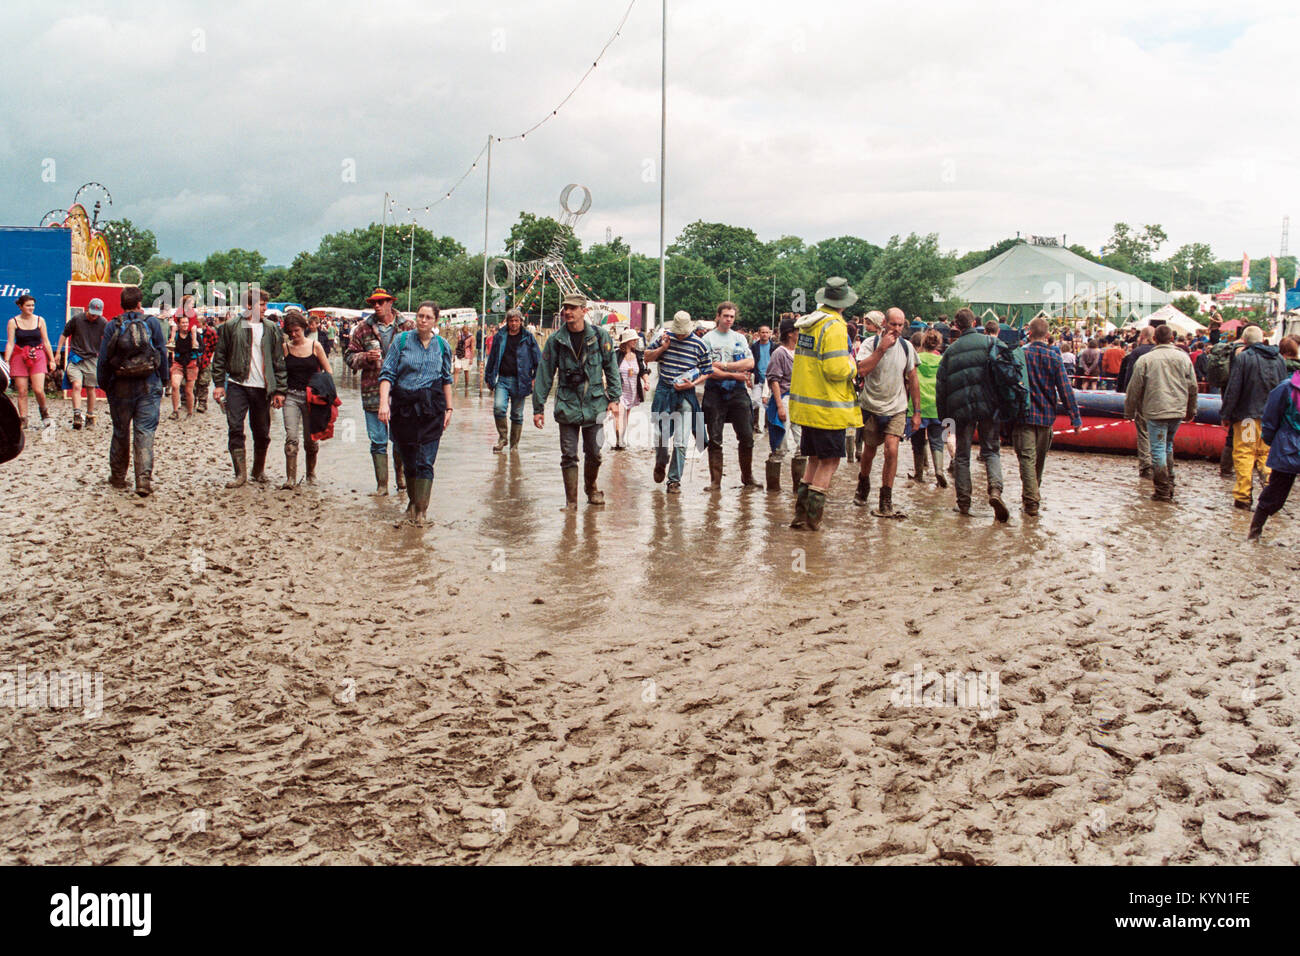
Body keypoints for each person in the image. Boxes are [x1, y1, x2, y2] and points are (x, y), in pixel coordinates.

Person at [532, 293, 621, 510]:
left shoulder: (600, 337)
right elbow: (544, 374)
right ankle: (571, 502)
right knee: (568, 455)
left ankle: (591, 488)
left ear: (584, 311)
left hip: (595, 404)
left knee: (594, 453)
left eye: (573, 308)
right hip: (567, 403)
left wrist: (615, 398)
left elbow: (611, 367)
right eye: (566, 308)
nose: (568, 312)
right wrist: (538, 407)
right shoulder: (556, 340)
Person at [788, 278, 859, 530]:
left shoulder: (809, 324)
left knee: (815, 459)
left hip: (807, 406)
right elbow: (836, 369)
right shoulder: (836, 327)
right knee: (829, 461)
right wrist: (853, 367)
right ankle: (813, 519)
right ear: (843, 303)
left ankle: (800, 515)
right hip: (829, 408)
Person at [377, 302, 453, 525]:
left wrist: (449, 408)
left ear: (435, 321)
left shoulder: (442, 345)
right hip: (404, 406)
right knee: (408, 458)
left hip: (432, 408)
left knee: (426, 461)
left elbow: (446, 379)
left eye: (428, 317)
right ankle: (413, 501)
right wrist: (384, 403)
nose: (423, 320)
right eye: (420, 316)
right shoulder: (401, 342)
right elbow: (387, 374)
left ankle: (421, 512)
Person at [935, 307, 1010, 521]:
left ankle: (964, 503)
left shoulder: (950, 351)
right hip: (989, 407)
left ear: (956, 326)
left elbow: (941, 388)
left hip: (960, 410)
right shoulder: (992, 343)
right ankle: (995, 490)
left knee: (962, 456)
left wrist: (945, 419)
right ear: (976, 322)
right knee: (992, 451)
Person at [211, 288, 288, 488]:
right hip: (237, 384)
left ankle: (258, 470)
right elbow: (219, 357)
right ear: (248, 306)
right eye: (261, 305)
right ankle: (240, 474)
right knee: (235, 427)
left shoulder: (271, 328)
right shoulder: (230, 326)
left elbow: (279, 360)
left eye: (265, 305)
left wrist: (280, 390)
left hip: (263, 388)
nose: (265, 309)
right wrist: (219, 384)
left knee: (262, 432)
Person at [97, 286, 168, 496]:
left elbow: (103, 358)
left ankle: (118, 478)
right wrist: (163, 380)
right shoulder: (152, 323)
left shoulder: (113, 325)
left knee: (120, 431)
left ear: (121, 304)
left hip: (120, 387)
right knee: (145, 432)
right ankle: (143, 481)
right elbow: (162, 352)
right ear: (140, 303)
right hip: (149, 383)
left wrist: (105, 384)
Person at [851, 307, 920, 517]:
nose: (897, 329)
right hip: (871, 405)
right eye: (893, 324)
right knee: (869, 452)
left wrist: (917, 412)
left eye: (900, 325)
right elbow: (861, 371)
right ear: (884, 324)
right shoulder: (869, 344)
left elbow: (913, 379)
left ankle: (886, 498)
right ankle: (863, 482)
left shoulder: (907, 348)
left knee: (892, 449)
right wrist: (881, 349)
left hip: (897, 407)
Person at [1013, 317, 1081, 516]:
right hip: (1046, 417)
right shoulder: (1054, 357)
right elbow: (1065, 389)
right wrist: (1075, 418)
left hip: (1023, 416)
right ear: (1048, 335)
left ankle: (1031, 500)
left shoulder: (1020, 355)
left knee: (1026, 459)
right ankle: (1032, 497)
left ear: (1029, 333)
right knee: (1038, 462)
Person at [1123, 324, 1197, 502]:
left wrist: (1129, 412)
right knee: (1168, 446)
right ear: (1172, 338)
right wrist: (1191, 410)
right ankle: (1170, 482)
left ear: (1154, 339)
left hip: (1155, 410)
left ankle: (1162, 489)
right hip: (1177, 410)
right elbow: (1193, 386)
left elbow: (1134, 389)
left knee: (1157, 449)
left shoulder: (1146, 360)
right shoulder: (1184, 358)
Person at [1220, 324, 1288, 510]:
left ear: (1244, 341)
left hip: (1247, 417)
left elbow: (1234, 388)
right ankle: (1269, 490)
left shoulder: (1243, 358)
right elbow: (1285, 389)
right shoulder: (1279, 359)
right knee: (1266, 454)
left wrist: (1226, 414)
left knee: (1245, 453)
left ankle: (1243, 496)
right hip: (1271, 419)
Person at [347, 288, 406, 496]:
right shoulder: (363, 329)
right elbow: (349, 357)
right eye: (374, 303)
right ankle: (382, 485)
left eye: (381, 302)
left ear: (391, 302)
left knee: (400, 439)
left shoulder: (407, 327)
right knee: (378, 440)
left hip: (402, 393)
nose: (377, 306)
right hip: (372, 391)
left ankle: (401, 478)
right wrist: (365, 358)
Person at [646, 310, 712, 494]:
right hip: (664, 391)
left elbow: (707, 370)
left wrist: (694, 382)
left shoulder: (700, 344)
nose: (681, 336)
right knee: (660, 435)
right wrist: (663, 349)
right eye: (678, 332)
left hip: (685, 395)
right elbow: (646, 357)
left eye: (683, 332)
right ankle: (660, 461)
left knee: (681, 442)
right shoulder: (665, 338)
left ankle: (674, 480)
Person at [701, 301, 757, 489]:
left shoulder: (740, 339)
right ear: (718, 316)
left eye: (732, 316)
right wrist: (734, 372)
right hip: (715, 391)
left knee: (747, 436)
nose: (729, 319)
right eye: (725, 316)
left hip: (738, 391)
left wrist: (724, 366)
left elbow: (750, 363)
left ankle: (747, 477)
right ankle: (715, 481)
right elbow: (707, 369)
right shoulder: (707, 339)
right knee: (715, 438)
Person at [1247, 365, 1300, 541]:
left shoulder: (1287, 387)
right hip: (1288, 446)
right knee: (1275, 494)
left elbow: (1270, 420)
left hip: (1287, 446)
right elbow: (1270, 419)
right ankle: (1255, 533)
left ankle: (1255, 534)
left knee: (1275, 492)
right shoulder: (1286, 388)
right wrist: (1272, 441)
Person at [280, 312, 332, 488]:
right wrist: (277, 393)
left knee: (311, 440)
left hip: (312, 398)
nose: (293, 335)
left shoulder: (315, 346)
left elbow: (328, 371)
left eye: (296, 331)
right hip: (291, 397)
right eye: (290, 332)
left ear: (304, 328)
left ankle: (311, 474)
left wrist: (325, 394)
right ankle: (291, 478)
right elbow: (279, 373)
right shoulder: (285, 347)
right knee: (291, 438)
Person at [484, 308, 542, 453]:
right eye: (511, 321)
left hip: (521, 380)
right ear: (507, 322)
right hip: (502, 379)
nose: (514, 323)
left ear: (521, 321)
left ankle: (514, 445)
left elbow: (538, 361)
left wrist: (535, 378)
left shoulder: (528, 337)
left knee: (517, 414)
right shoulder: (500, 337)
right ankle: (503, 437)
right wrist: (488, 377)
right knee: (498, 408)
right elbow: (492, 358)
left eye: (516, 320)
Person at [4, 294, 57, 429]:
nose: (31, 308)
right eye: (28, 305)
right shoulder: (13, 322)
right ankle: (23, 419)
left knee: (38, 389)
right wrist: (6, 360)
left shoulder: (40, 320)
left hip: (37, 354)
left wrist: (51, 359)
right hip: (19, 354)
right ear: (20, 306)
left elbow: (46, 341)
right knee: (21, 391)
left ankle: (44, 413)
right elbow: (10, 343)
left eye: (32, 305)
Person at [57, 298, 109, 429]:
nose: (93, 317)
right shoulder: (77, 319)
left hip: (92, 358)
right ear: (87, 309)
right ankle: (77, 415)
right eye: (92, 314)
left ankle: (90, 415)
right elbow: (64, 334)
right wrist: (58, 352)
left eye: (96, 314)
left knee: (91, 388)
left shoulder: (103, 322)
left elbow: (109, 339)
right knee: (76, 385)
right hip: (76, 357)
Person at [764, 317, 799, 491]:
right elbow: (774, 380)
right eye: (798, 331)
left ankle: (798, 488)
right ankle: (773, 488)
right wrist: (779, 406)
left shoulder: (801, 352)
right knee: (781, 444)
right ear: (791, 333)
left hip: (800, 400)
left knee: (802, 445)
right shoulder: (779, 353)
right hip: (784, 398)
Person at [909, 329, 948, 488]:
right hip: (937, 407)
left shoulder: (915, 359)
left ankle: (919, 474)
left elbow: (908, 380)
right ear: (938, 344)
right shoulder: (943, 361)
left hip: (918, 406)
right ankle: (939, 470)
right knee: (938, 441)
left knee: (917, 442)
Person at [1117, 327, 1156, 477]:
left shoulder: (1138, 352)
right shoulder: (1168, 352)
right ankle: (1161, 464)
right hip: (1163, 398)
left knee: (1144, 432)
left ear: (1143, 336)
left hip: (1144, 398)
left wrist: (1128, 404)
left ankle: (1146, 466)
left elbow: (1131, 379)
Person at [613, 328, 647, 450]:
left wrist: (646, 382)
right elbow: (610, 370)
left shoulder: (638, 355)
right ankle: (619, 441)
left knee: (626, 415)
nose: (635, 342)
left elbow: (643, 371)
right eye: (633, 340)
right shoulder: (616, 354)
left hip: (632, 389)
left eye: (636, 340)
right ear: (627, 341)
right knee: (619, 414)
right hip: (619, 389)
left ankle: (622, 439)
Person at [167, 309, 203, 419]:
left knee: (188, 390)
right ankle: (175, 410)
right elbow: (170, 347)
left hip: (191, 363)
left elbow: (201, 348)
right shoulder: (175, 335)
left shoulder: (194, 335)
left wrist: (195, 350)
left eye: (186, 322)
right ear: (179, 323)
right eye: (183, 322)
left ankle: (190, 412)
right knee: (175, 385)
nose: (185, 325)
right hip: (178, 363)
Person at [749, 324, 773, 435]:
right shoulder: (754, 347)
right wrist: (748, 377)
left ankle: (768, 425)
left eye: (767, 332)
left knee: (769, 402)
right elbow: (750, 363)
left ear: (770, 334)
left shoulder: (774, 347)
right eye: (762, 332)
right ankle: (755, 425)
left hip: (771, 378)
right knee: (755, 401)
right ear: (758, 333)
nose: (765, 334)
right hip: (758, 377)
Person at [454, 326, 474, 394]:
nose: (464, 333)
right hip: (459, 354)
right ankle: (455, 386)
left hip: (466, 355)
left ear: (468, 331)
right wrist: (454, 355)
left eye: (465, 332)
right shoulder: (460, 335)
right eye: (463, 332)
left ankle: (466, 386)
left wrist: (471, 358)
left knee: (466, 371)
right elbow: (457, 344)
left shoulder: (471, 337)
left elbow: (472, 348)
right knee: (456, 369)